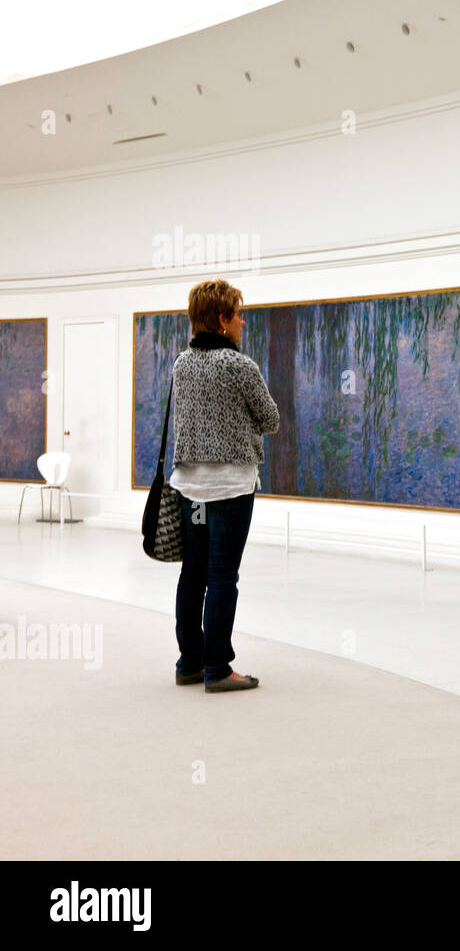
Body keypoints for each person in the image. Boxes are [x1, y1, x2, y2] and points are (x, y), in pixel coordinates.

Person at [170, 279, 279, 692]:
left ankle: (190, 663)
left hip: (189, 489)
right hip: (231, 487)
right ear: (221, 320)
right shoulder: (240, 367)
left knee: (192, 576)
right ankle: (218, 667)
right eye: (238, 313)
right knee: (222, 577)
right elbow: (270, 419)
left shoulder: (183, 364)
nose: (243, 321)